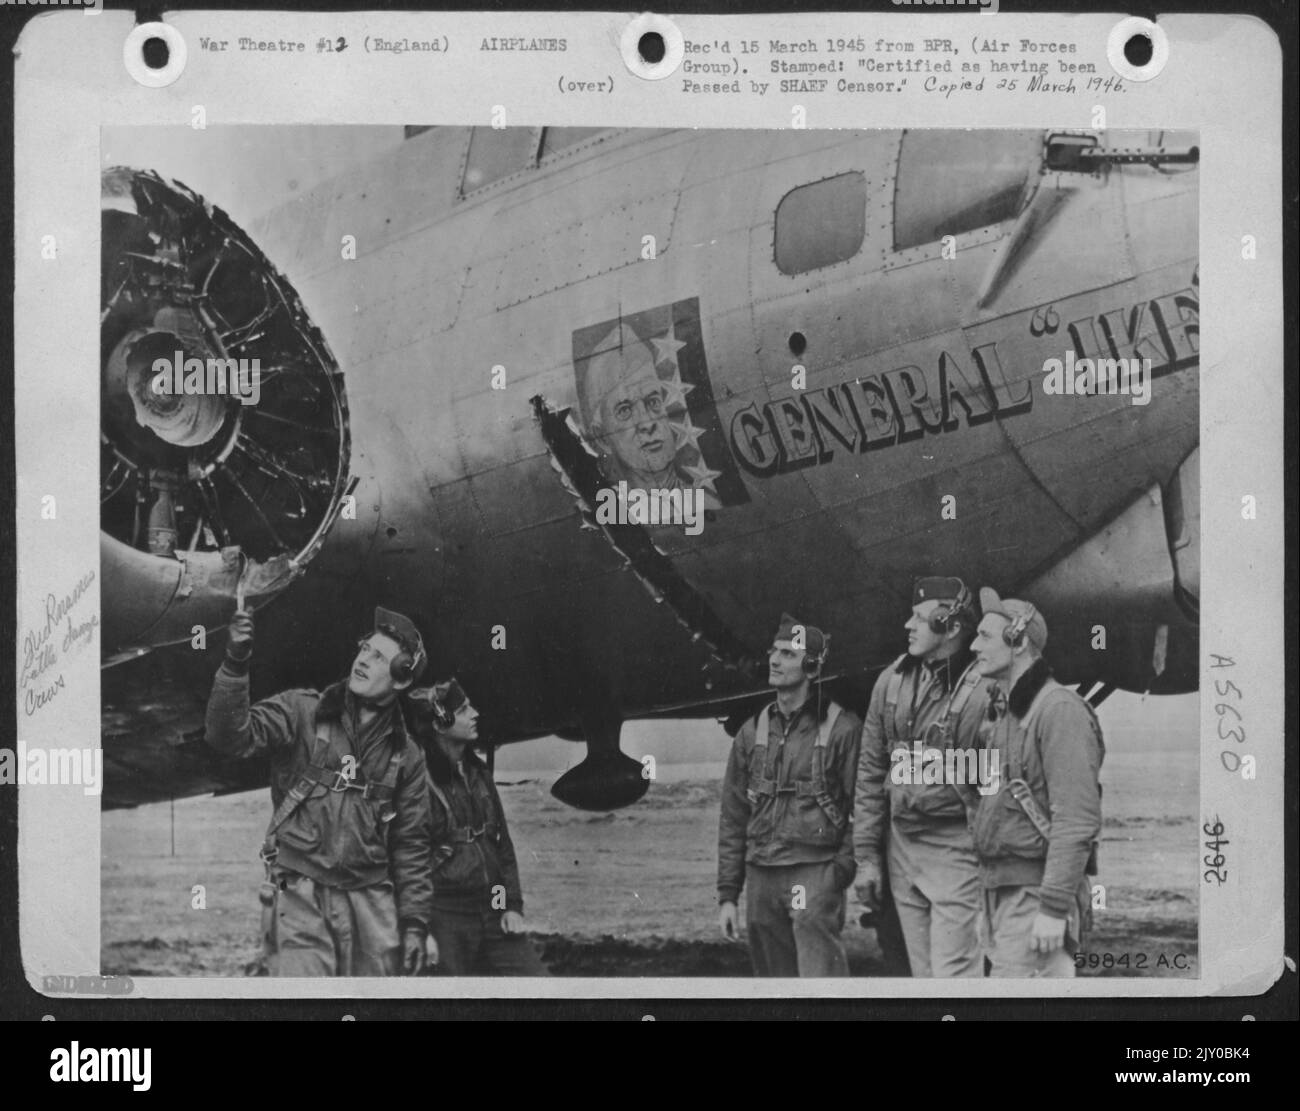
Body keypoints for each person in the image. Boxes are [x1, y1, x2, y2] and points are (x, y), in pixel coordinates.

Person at [204, 605, 433, 976]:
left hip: (370, 903)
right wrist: (236, 660)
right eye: (365, 650)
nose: (363, 661)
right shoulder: (301, 712)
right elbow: (228, 737)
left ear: (401, 680)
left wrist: (415, 925)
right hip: (298, 895)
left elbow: (411, 845)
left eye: (379, 658)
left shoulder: (407, 756)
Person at [854, 577, 993, 977]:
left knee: (955, 974)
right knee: (923, 976)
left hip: (957, 849)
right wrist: (867, 859)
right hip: (902, 849)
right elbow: (869, 775)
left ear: (950, 627)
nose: (907, 626)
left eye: (919, 617)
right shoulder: (891, 682)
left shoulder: (985, 691)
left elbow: (996, 785)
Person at [717, 614, 862, 976]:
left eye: (788, 653)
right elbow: (734, 816)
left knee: (821, 985)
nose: (775, 660)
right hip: (762, 875)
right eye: (774, 651)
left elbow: (864, 806)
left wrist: (839, 871)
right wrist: (728, 895)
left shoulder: (843, 730)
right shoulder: (751, 733)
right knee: (773, 988)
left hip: (813, 871)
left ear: (812, 668)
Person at [969, 588, 1104, 978]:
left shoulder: (1059, 711)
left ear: (1019, 641)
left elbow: (1077, 821)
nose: (974, 645)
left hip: (1035, 897)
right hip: (1005, 896)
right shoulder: (1010, 716)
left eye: (985, 636)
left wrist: (1052, 908)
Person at [407, 678, 549, 976]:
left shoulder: (478, 773)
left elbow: (502, 844)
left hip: (493, 910)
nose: (475, 714)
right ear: (440, 723)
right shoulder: (418, 784)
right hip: (446, 917)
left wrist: (511, 905)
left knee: (540, 987)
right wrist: (418, 930)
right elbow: (407, 861)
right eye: (463, 710)